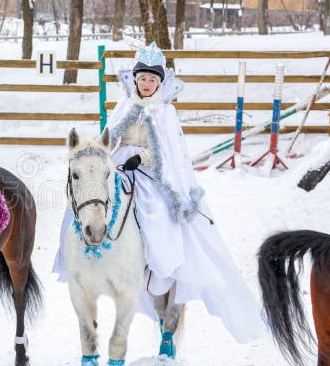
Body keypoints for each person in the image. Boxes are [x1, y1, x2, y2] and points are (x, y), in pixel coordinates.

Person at [107, 42, 264, 343]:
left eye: (153, 80)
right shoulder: (124, 105)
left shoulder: (166, 113)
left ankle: (160, 262)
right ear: (135, 79)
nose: (147, 84)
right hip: (118, 168)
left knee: (155, 212)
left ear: (160, 82)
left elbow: (170, 153)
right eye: (143, 79)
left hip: (151, 174)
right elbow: (109, 135)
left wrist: (141, 158)